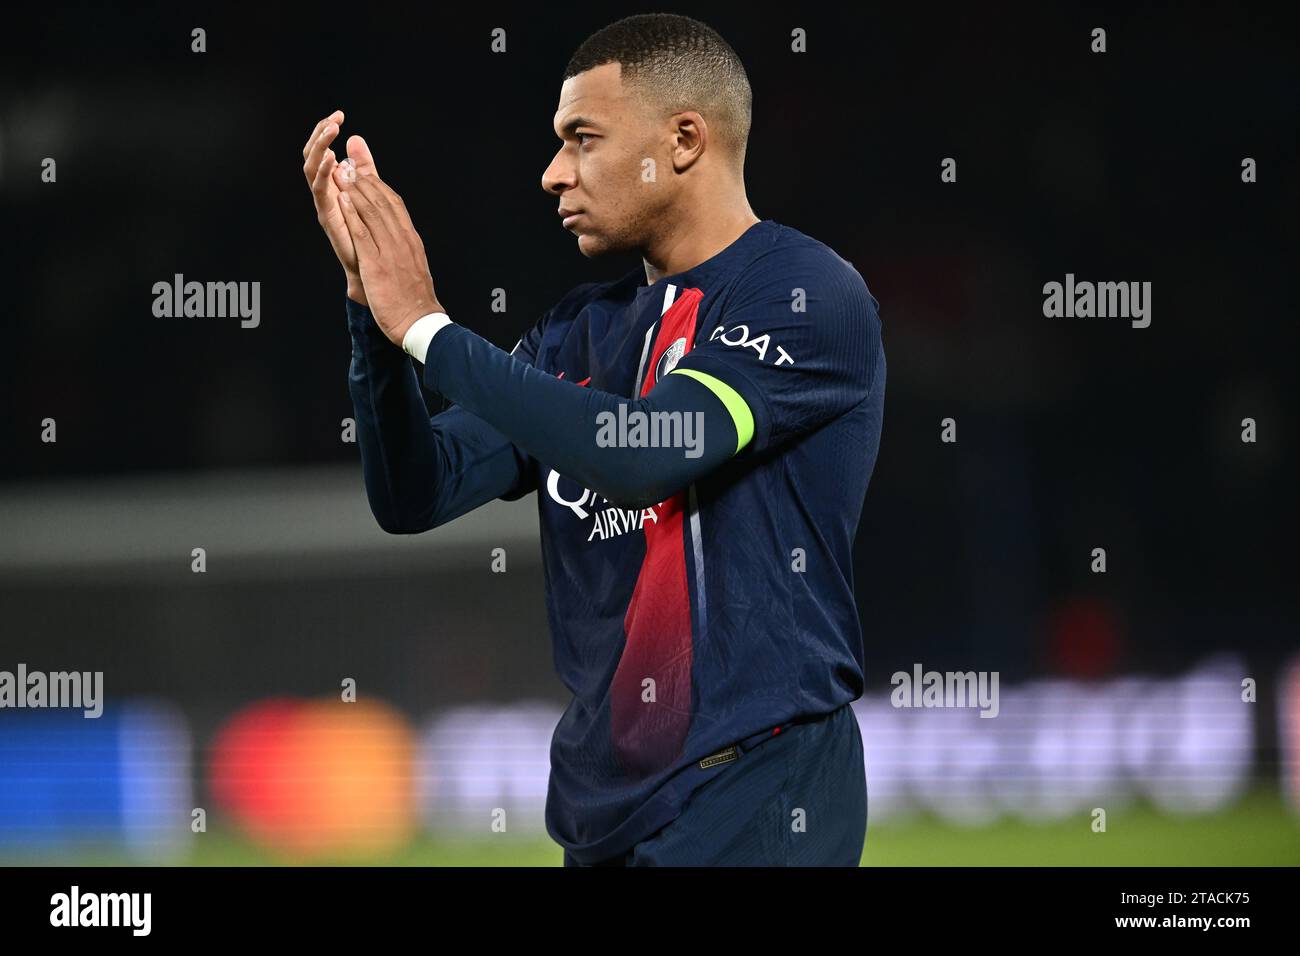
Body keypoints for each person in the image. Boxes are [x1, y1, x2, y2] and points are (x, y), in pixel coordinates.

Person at [301, 13, 885, 866]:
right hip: (600, 809)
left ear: (684, 140)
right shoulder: (577, 334)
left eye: (582, 139)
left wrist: (427, 326)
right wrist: (373, 319)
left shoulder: (804, 295)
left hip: (760, 793)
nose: (552, 174)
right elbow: (414, 493)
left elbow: (643, 453)